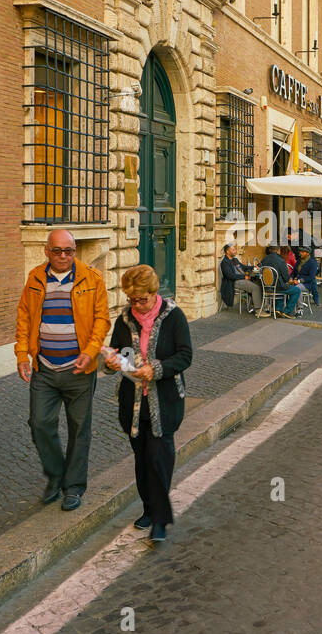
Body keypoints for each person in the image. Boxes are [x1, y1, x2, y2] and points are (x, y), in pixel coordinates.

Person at [15, 228, 112, 511]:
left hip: (79, 369)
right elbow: (24, 317)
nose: (63, 256)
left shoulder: (91, 278)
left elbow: (101, 320)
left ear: (74, 251)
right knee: (39, 423)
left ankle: (73, 487)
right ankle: (56, 474)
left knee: (80, 429)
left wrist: (90, 351)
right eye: (56, 251)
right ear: (47, 251)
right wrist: (22, 353)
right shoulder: (35, 277)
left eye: (68, 251)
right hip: (44, 368)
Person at [102, 265, 193, 543]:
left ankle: (161, 519)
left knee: (159, 460)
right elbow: (118, 352)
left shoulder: (174, 316)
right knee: (142, 461)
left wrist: (156, 369)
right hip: (132, 405)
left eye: (142, 299)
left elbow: (185, 356)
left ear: (154, 293)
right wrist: (110, 362)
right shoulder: (125, 318)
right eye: (132, 299)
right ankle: (148, 509)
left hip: (164, 403)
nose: (137, 304)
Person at [260, 245, 303, 317]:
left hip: (266, 287)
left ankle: (278, 309)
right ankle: (287, 311)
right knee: (296, 291)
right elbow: (286, 278)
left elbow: (259, 269)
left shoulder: (264, 259)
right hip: (278, 287)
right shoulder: (281, 261)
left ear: (270, 250)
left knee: (281, 287)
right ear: (278, 250)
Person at [220, 243, 262, 313]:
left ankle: (256, 305)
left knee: (259, 283)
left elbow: (244, 268)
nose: (235, 251)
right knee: (255, 288)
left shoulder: (235, 260)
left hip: (241, 279)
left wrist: (254, 267)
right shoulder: (225, 262)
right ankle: (258, 310)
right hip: (233, 282)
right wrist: (244, 277)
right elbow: (230, 275)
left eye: (235, 249)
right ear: (227, 252)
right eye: (233, 250)